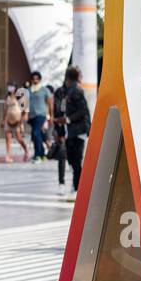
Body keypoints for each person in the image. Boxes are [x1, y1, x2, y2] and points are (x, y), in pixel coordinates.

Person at [59, 66, 90, 198]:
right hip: (73, 131)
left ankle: (78, 188)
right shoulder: (70, 90)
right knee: (72, 159)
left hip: (78, 130)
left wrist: (68, 119)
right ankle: (76, 186)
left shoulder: (75, 91)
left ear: (67, 78)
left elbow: (83, 110)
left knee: (75, 160)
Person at [25, 71, 52, 163]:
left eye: (37, 78)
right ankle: (42, 155)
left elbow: (50, 103)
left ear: (40, 79)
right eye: (33, 78)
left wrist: (51, 116)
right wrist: (26, 114)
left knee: (35, 133)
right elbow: (25, 104)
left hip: (41, 115)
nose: (35, 80)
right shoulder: (29, 90)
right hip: (32, 115)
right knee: (37, 135)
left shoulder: (44, 90)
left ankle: (37, 154)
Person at [3, 83, 28, 163]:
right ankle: (8, 155)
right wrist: (3, 119)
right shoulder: (7, 97)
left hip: (18, 119)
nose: (10, 88)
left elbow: (24, 109)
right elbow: (6, 109)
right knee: (8, 138)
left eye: (11, 86)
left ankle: (26, 150)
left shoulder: (20, 96)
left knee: (18, 138)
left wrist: (22, 119)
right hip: (8, 119)